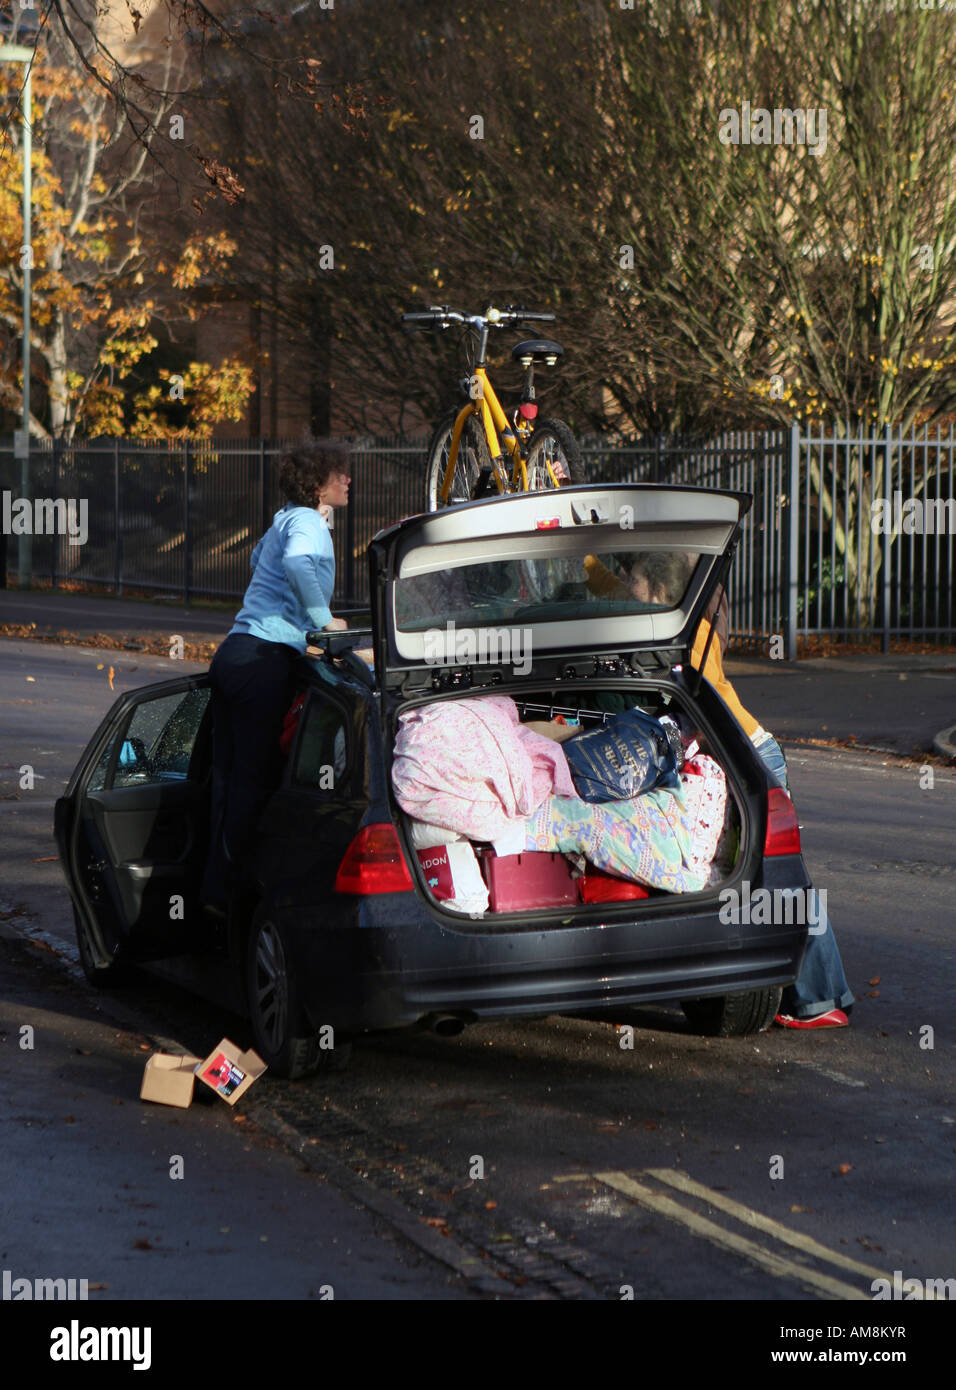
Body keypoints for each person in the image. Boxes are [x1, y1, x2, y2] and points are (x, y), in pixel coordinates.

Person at [583, 549, 854, 1029]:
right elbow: (610, 594)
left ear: (662, 593)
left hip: (747, 753)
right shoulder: (669, 625)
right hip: (744, 749)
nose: (630, 592)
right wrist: (583, 558)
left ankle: (818, 1000)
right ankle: (826, 995)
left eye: (638, 585)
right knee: (782, 876)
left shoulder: (688, 637)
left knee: (783, 877)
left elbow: (713, 718)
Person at [201, 442, 352, 909]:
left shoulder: (286, 517)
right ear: (317, 485)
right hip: (262, 661)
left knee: (227, 778)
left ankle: (214, 892)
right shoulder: (306, 521)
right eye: (339, 474)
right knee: (258, 781)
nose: (347, 480)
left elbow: (257, 563)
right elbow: (293, 564)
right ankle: (238, 897)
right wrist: (322, 621)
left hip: (237, 653)